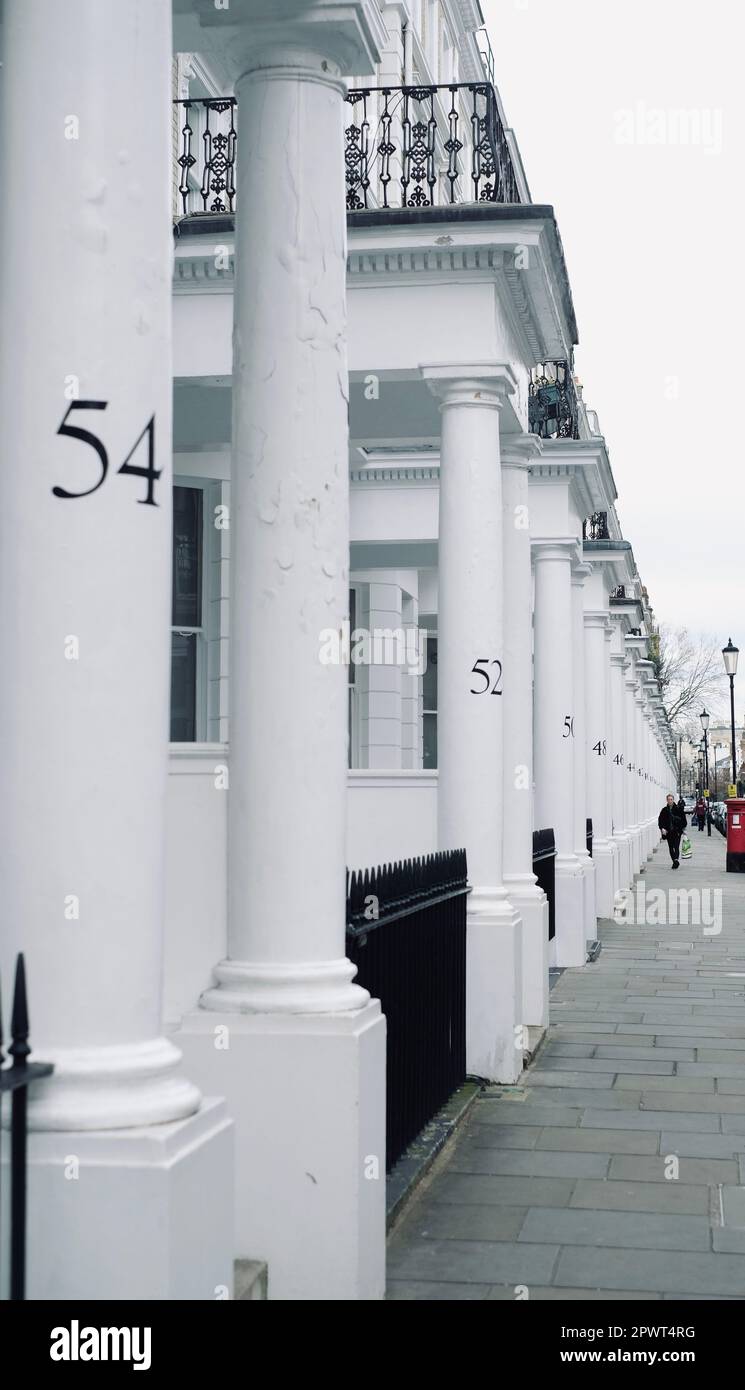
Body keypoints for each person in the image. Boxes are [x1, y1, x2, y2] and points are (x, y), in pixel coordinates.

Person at [658, 793, 685, 868]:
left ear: (673, 800)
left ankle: (676, 860)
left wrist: (681, 828)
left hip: (677, 832)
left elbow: (684, 821)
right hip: (668, 832)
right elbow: (660, 820)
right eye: (668, 799)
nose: (670, 801)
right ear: (666, 800)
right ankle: (674, 861)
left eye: (671, 799)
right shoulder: (664, 810)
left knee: (676, 846)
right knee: (670, 847)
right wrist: (662, 828)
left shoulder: (678, 809)